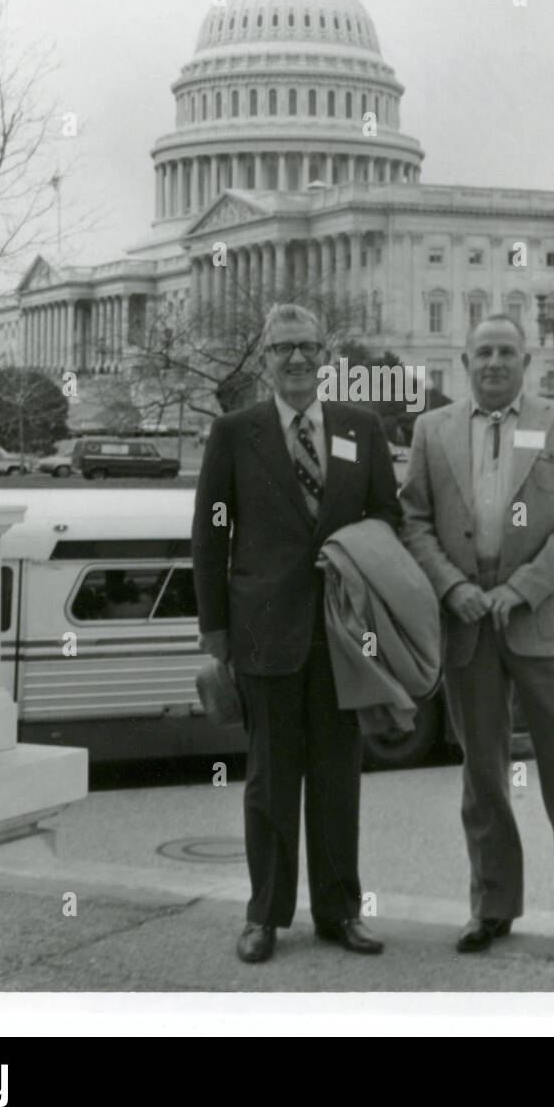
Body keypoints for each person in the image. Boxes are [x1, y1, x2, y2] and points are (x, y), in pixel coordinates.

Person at [399, 313, 554, 967]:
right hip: (468, 625)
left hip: (542, 621)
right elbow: (413, 520)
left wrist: (521, 588)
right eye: (483, 352)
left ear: (527, 363)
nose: (494, 362)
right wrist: (451, 588)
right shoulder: (431, 431)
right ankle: (491, 906)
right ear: (464, 363)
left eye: (506, 352)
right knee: (482, 775)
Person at [192, 303, 400, 964]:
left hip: (341, 634)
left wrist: (357, 572)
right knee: (270, 783)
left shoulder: (361, 430)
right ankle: (265, 917)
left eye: (308, 346)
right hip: (263, 633)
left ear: (326, 355)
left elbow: (386, 522)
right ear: (264, 361)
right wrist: (216, 634)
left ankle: (340, 913)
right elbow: (211, 535)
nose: (298, 358)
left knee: (340, 780)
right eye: (283, 348)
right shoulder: (235, 432)